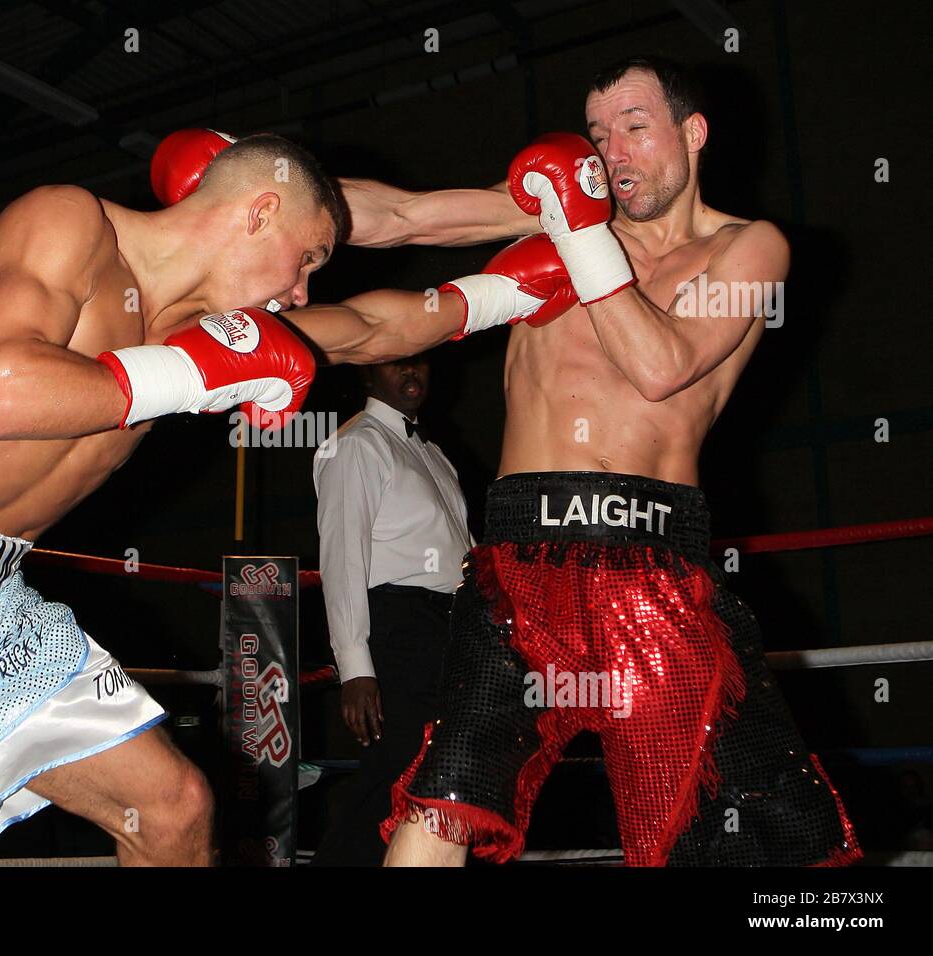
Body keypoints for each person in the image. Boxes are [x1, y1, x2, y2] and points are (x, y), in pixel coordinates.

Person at [0, 131, 577, 866]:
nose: (301, 290)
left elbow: (381, 323)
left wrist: (524, 278)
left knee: (173, 810)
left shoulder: (223, 330)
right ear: (256, 212)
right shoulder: (71, 223)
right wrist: (192, 371)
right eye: (305, 259)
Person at [363, 56, 860, 866]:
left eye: (635, 127)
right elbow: (403, 217)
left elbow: (662, 366)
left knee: (705, 836)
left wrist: (578, 232)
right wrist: (250, 204)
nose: (613, 152)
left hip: (654, 567)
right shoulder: (560, 212)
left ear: (693, 134)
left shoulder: (749, 248)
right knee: (440, 808)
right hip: (519, 563)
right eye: (599, 135)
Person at [311, 356, 472, 865]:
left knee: (432, 779)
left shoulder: (431, 451)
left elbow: (462, 552)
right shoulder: (356, 444)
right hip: (398, 627)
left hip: (447, 630)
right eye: (395, 363)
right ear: (367, 374)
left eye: (420, 361)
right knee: (395, 777)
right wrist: (355, 669)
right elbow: (342, 560)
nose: (411, 372)